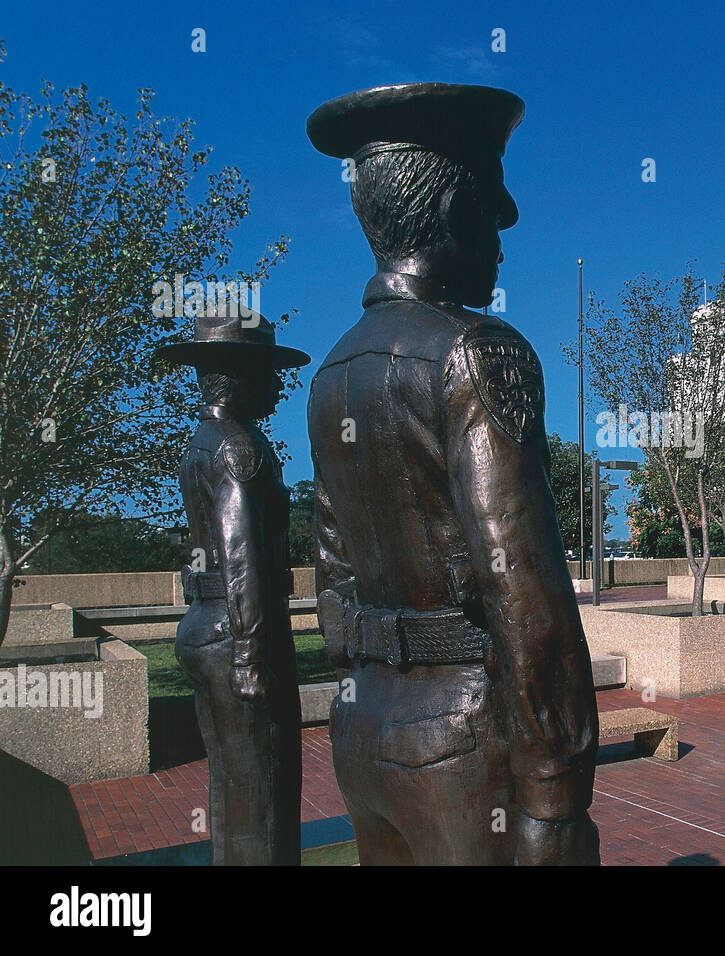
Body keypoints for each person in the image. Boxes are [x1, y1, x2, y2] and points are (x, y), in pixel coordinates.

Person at [306, 83, 599, 865]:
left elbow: (332, 576)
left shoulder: (330, 374)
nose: (503, 242)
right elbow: (523, 592)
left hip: (364, 729)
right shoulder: (479, 351)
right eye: (489, 215)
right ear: (449, 217)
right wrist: (556, 794)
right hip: (461, 742)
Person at [156, 308, 309, 865]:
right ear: (241, 374)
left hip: (205, 624)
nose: (277, 388)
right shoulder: (238, 447)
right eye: (269, 374)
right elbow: (240, 553)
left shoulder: (201, 439)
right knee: (261, 787)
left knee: (231, 784)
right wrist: (250, 653)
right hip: (238, 632)